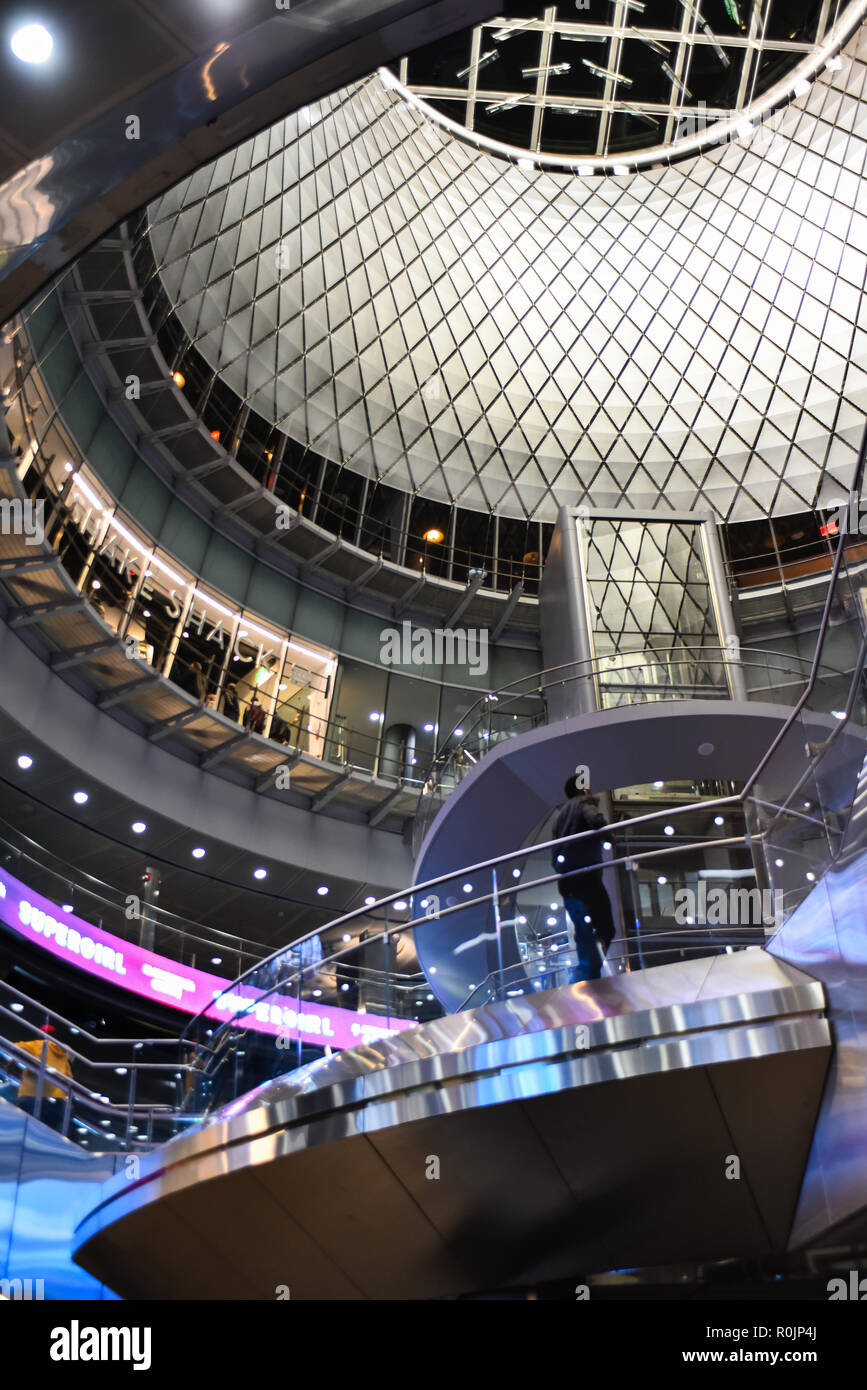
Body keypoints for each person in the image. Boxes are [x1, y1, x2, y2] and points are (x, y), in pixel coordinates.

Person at [552, 778, 616, 984]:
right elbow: (596, 822)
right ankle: (595, 973)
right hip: (587, 876)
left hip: (567, 880)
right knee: (606, 926)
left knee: (582, 928)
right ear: (583, 790)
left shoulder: (559, 817)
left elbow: (554, 855)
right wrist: (611, 838)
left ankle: (589, 974)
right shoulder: (583, 804)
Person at [13, 1023, 74, 1129]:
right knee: (48, 1134)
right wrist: (69, 1101)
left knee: (23, 1129)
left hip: (31, 1095)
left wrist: (12, 1061)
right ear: (54, 1037)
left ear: (39, 1034)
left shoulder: (37, 1044)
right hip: (56, 1100)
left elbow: (15, 1047)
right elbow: (69, 1079)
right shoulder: (62, 1054)